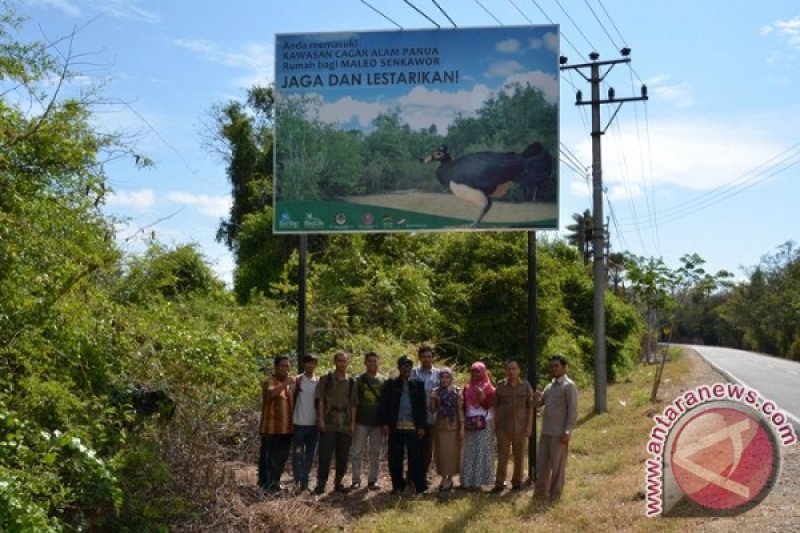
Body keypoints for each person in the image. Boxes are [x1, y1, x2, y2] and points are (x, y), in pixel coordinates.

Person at [380, 355, 429, 494]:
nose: (406, 369)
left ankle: (419, 486)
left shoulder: (418, 385)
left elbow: (422, 408)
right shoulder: (391, 384)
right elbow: (384, 405)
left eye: (409, 366)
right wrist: (384, 423)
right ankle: (398, 486)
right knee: (395, 458)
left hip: (413, 427)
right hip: (395, 428)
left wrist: (421, 426)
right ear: (399, 368)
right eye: (403, 366)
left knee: (416, 459)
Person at [534, 354, 578, 501]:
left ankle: (555, 495)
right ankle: (540, 492)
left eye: (556, 366)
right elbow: (540, 404)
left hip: (559, 433)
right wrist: (537, 398)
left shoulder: (569, 386)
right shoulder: (550, 386)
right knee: (542, 464)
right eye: (551, 366)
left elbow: (573, 411)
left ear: (563, 368)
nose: (553, 369)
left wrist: (567, 431)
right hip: (546, 431)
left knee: (557, 467)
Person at [314, 351, 358, 495]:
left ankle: (338, 483)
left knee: (343, 456)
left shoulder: (352, 382)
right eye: (339, 360)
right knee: (325, 455)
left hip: (344, 424)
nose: (342, 363)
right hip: (329, 422)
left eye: (344, 361)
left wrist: (352, 424)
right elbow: (320, 400)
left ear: (348, 363)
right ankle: (321, 484)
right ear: (335, 362)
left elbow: (353, 404)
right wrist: (320, 419)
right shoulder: (326, 380)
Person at [492, 357, 534, 493]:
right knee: (502, 457)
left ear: (519, 370)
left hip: (521, 428)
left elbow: (530, 407)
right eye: (508, 369)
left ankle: (517, 482)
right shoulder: (500, 385)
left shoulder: (526, 386)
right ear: (505, 371)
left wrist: (529, 426)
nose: (511, 372)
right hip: (503, 428)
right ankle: (499, 483)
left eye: (514, 369)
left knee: (519, 456)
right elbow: (496, 407)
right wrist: (495, 425)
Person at [258, 355, 295, 493]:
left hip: (286, 429)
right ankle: (265, 484)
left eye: (287, 366)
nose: (285, 369)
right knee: (267, 458)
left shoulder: (289, 384)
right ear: (276, 367)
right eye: (282, 366)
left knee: (280, 459)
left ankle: (275, 482)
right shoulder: (270, 381)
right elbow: (271, 394)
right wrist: (285, 383)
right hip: (270, 429)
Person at [350, 351, 385, 490]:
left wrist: (385, 423)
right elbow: (354, 403)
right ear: (365, 363)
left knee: (376, 452)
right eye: (370, 361)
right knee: (357, 451)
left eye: (375, 361)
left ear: (378, 363)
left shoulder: (383, 380)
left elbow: (386, 404)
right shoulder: (359, 380)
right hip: (361, 422)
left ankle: (373, 480)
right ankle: (356, 480)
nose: (372, 364)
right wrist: (352, 422)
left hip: (377, 423)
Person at [460, 361, 496, 490]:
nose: (475, 374)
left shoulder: (489, 388)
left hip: (484, 423)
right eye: (473, 371)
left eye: (478, 371)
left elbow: (488, 405)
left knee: (481, 451)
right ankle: (468, 481)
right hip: (470, 422)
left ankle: (480, 481)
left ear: (483, 372)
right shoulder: (467, 387)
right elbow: (464, 406)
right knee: (470, 450)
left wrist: (481, 396)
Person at [429, 367, 464, 491]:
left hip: (453, 426)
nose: (444, 379)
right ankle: (443, 477)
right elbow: (432, 410)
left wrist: (462, 428)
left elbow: (460, 411)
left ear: (451, 378)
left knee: (452, 454)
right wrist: (433, 398)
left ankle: (450, 478)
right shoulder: (436, 391)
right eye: (442, 377)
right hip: (440, 426)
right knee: (441, 453)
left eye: (447, 377)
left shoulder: (456, 392)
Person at [410, 344, 440, 479]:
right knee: (413, 447)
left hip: (432, 417)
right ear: (419, 358)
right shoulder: (414, 373)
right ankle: (411, 475)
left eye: (429, 357)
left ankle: (423, 475)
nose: (427, 359)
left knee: (428, 449)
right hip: (415, 417)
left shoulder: (438, 374)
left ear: (433, 358)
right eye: (424, 357)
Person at [291, 353, 319, 492]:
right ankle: (297, 481)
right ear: (303, 364)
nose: (310, 365)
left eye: (312, 363)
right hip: (298, 424)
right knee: (297, 454)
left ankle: (305, 481)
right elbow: (290, 401)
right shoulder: (297, 380)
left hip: (313, 426)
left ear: (315, 365)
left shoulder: (319, 381)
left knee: (310, 455)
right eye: (307, 362)